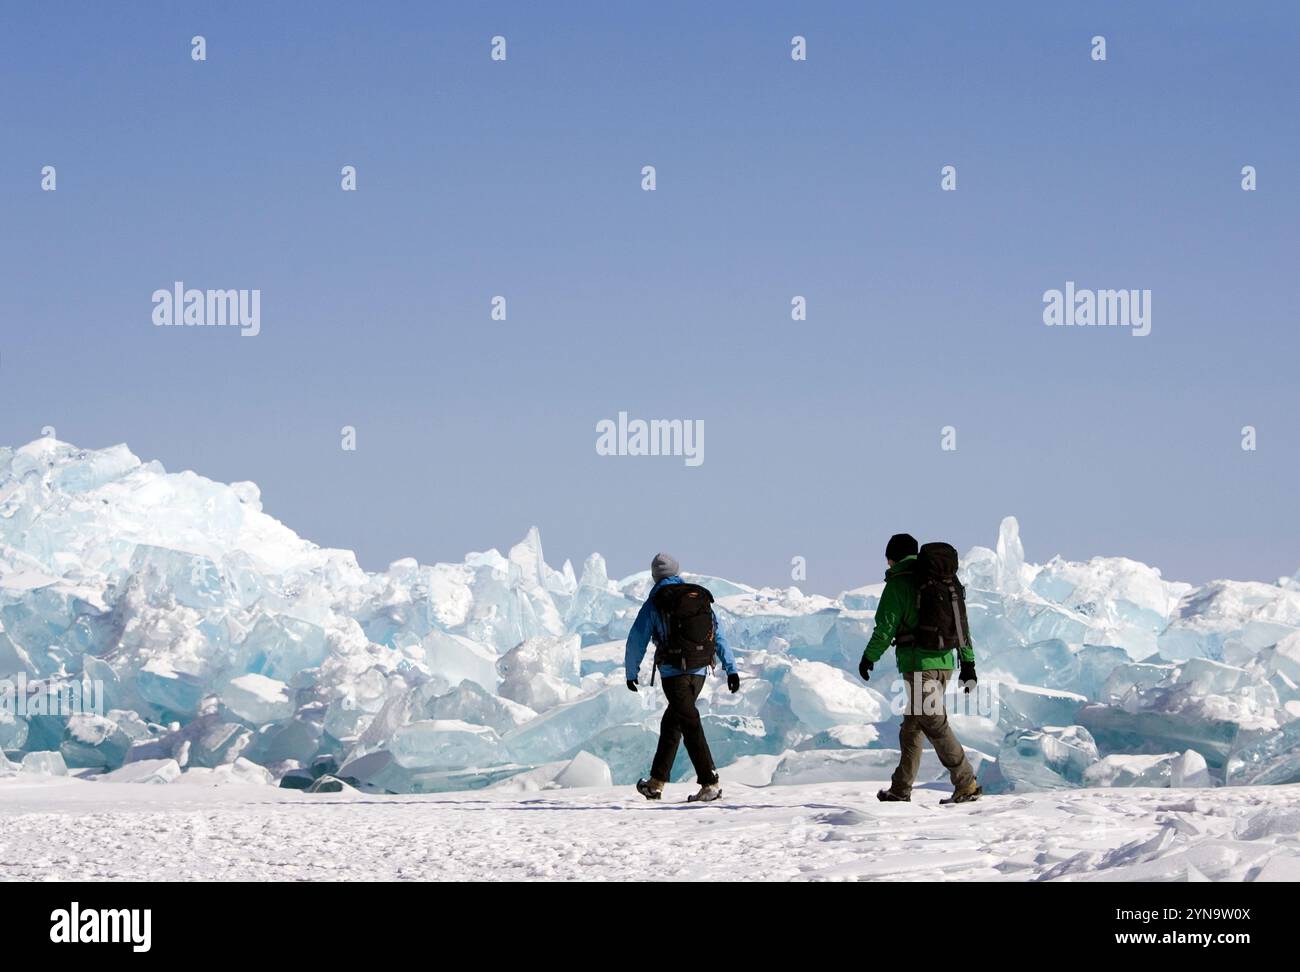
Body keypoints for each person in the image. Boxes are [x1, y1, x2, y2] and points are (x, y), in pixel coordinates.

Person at [858, 533, 981, 804]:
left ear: (892, 557)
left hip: (919, 666)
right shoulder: (943, 581)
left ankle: (966, 782)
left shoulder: (899, 584)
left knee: (934, 724)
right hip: (945, 663)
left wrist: (869, 657)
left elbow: (885, 628)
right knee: (912, 727)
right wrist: (968, 663)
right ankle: (900, 789)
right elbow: (962, 625)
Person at [625, 552, 739, 802]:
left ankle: (710, 783)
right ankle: (655, 783)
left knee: (689, 723)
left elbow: (637, 639)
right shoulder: (698, 598)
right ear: (677, 572)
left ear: (655, 576)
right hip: (699, 672)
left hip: (673, 673)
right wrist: (730, 668)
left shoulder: (655, 602)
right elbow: (717, 634)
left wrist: (631, 672)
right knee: (673, 722)